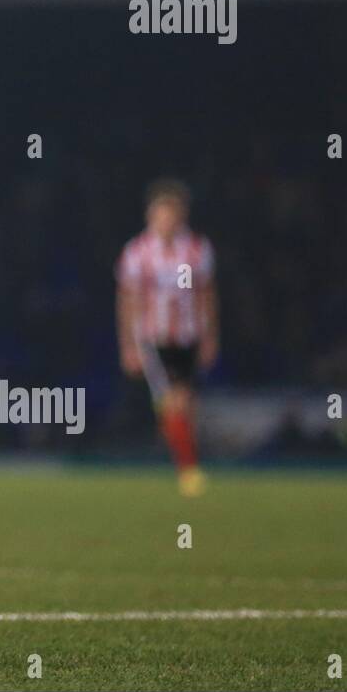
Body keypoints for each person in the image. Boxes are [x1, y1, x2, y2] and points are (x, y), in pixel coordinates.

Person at [116, 178, 219, 497]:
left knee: (184, 405)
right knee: (174, 402)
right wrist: (128, 344)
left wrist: (210, 337)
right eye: (161, 213)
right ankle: (189, 472)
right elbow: (127, 299)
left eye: (172, 213)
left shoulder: (198, 249)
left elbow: (206, 294)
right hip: (153, 339)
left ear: (181, 215)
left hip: (187, 337)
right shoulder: (137, 252)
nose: (166, 220)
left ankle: (180, 453)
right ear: (151, 215)